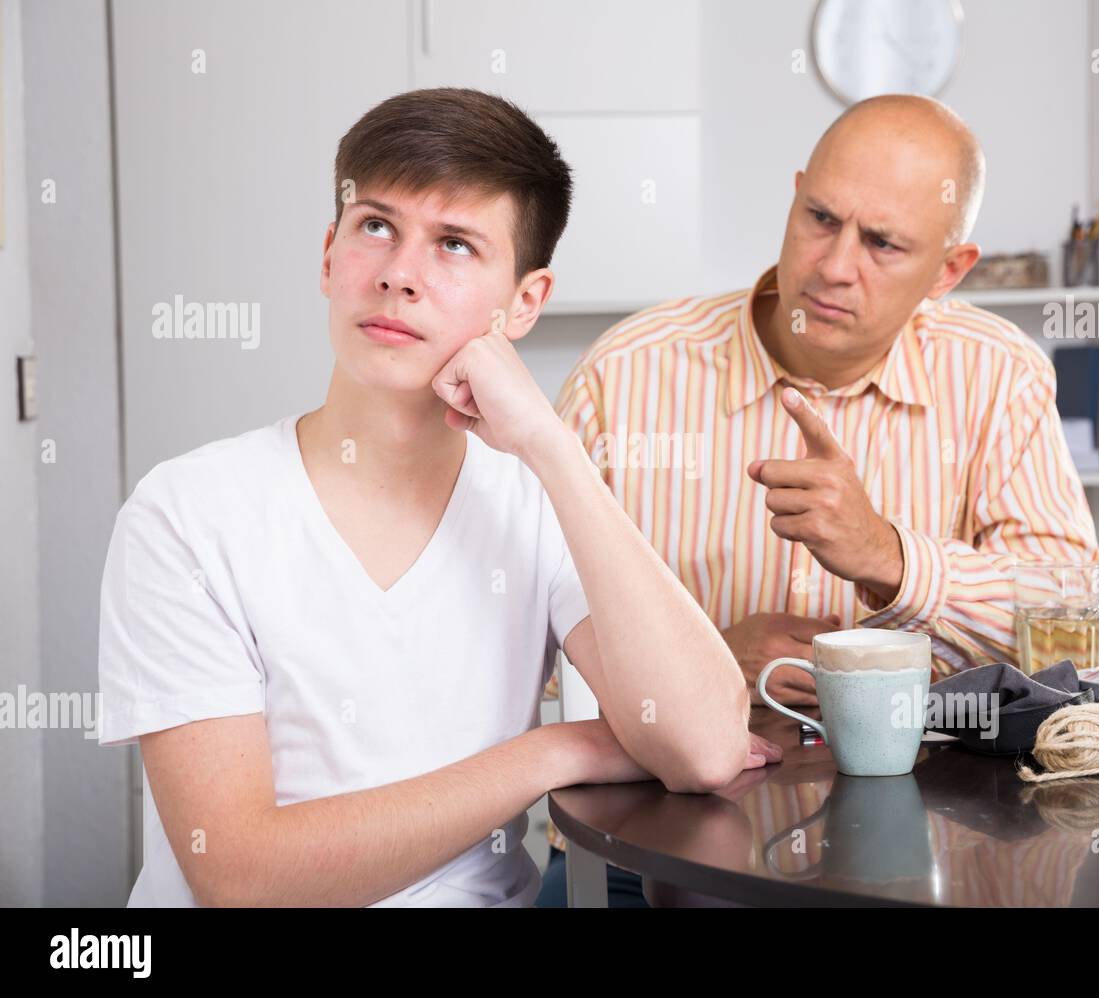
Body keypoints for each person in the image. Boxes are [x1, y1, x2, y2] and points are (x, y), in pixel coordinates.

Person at [96, 88, 781, 908]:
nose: (398, 275)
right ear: (328, 254)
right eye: (376, 226)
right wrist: (553, 752)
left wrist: (553, 448)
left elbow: (705, 747)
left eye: (454, 244)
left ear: (523, 302)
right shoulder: (186, 514)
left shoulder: (532, 499)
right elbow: (241, 877)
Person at [535, 94, 1099, 904]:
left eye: (883, 243)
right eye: (820, 217)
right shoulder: (625, 375)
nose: (835, 265)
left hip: (926, 849)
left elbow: (1077, 614)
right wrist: (695, 669)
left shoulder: (998, 375)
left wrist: (894, 559)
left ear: (948, 270)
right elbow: (524, 639)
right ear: (795, 193)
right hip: (651, 847)